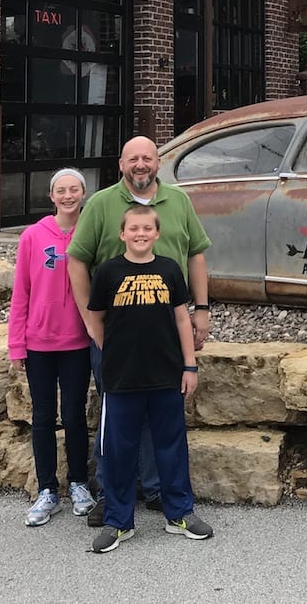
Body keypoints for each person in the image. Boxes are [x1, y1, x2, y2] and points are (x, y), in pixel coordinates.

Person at [67, 136, 211, 526]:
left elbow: (196, 254)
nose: (141, 165)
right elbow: (77, 259)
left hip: (166, 334)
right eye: (133, 159)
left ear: (158, 163)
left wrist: (202, 309)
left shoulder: (179, 202)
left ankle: (159, 491)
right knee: (116, 421)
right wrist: (90, 322)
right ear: (121, 164)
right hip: (116, 336)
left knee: (162, 420)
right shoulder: (100, 204)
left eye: (147, 158)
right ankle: (112, 495)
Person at [85, 205, 213, 551]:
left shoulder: (169, 269)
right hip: (122, 379)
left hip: (166, 375)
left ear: (157, 234)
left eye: (147, 228)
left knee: (171, 447)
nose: (140, 234)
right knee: (117, 451)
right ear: (122, 234)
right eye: (134, 229)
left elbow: (183, 320)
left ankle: (179, 513)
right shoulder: (109, 272)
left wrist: (189, 365)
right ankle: (118, 520)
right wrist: (109, 349)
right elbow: (95, 317)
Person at [7, 167, 96, 526]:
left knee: (74, 414)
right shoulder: (32, 236)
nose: (68, 196)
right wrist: (17, 344)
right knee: (43, 417)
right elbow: (21, 292)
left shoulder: (90, 234)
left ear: (83, 193)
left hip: (76, 340)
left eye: (74, 189)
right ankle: (47, 490)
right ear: (51, 196)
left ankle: (78, 483)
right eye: (61, 190)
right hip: (39, 341)